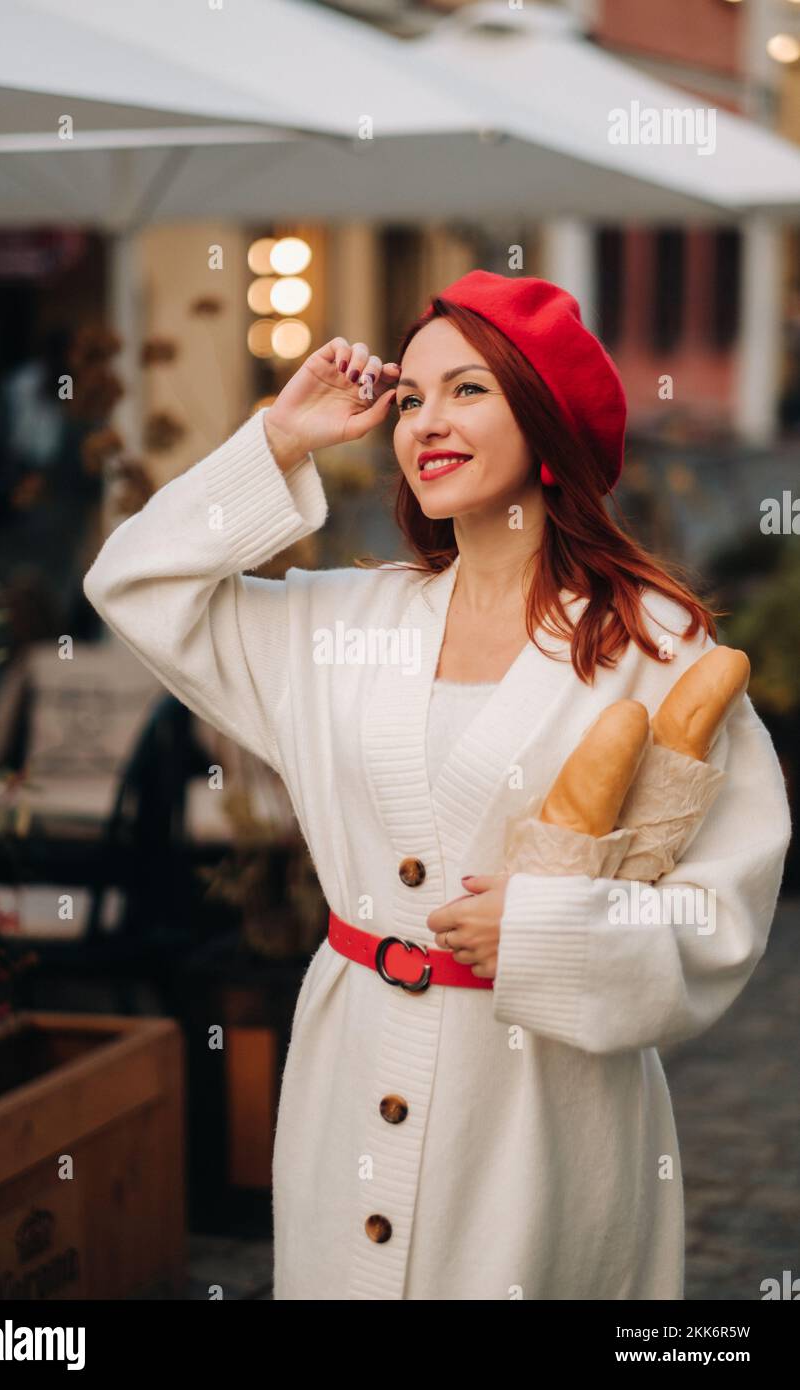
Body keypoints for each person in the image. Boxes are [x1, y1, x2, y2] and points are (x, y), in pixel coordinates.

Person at [82, 272, 791, 1301]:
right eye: (408, 398)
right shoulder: (340, 624)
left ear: (543, 425)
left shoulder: (658, 645)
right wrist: (278, 439)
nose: (425, 422)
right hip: (348, 1066)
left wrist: (553, 928)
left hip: (539, 1115)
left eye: (467, 390)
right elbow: (132, 584)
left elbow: (721, 912)